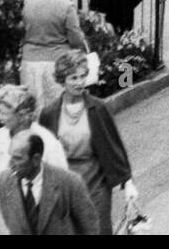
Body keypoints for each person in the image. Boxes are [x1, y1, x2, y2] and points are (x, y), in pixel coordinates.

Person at [39, 50, 138, 235]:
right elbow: (42, 153)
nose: (79, 82)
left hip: (95, 183)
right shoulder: (49, 113)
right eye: (73, 77)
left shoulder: (97, 108)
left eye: (83, 76)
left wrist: (128, 183)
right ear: (62, 80)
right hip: (64, 186)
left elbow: (113, 146)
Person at [0, 85, 68, 233]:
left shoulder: (49, 145)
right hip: (3, 225)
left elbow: (64, 192)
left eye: (4, 113)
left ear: (21, 116)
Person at [0, 131, 98, 236]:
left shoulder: (69, 182)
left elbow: (89, 226)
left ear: (36, 159)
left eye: (18, 158)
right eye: (11, 156)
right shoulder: (3, 182)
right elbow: (11, 223)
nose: (10, 164)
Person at [20, 0, 89, 111]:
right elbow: (76, 38)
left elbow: (23, 29)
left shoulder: (27, 2)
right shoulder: (66, 6)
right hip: (56, 63)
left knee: (33, 110)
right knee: (57, 111)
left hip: (29, 62)